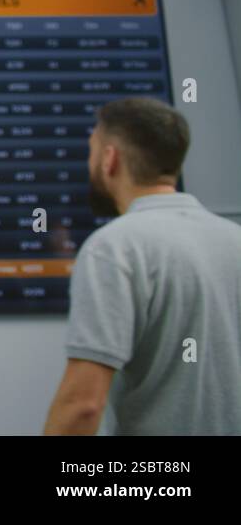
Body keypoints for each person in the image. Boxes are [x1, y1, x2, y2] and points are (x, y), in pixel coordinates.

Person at [44, 97, 241, 435]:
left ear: (110, 159)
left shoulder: (114, 248)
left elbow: (83, 405)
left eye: (92, 150)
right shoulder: (235, 239)